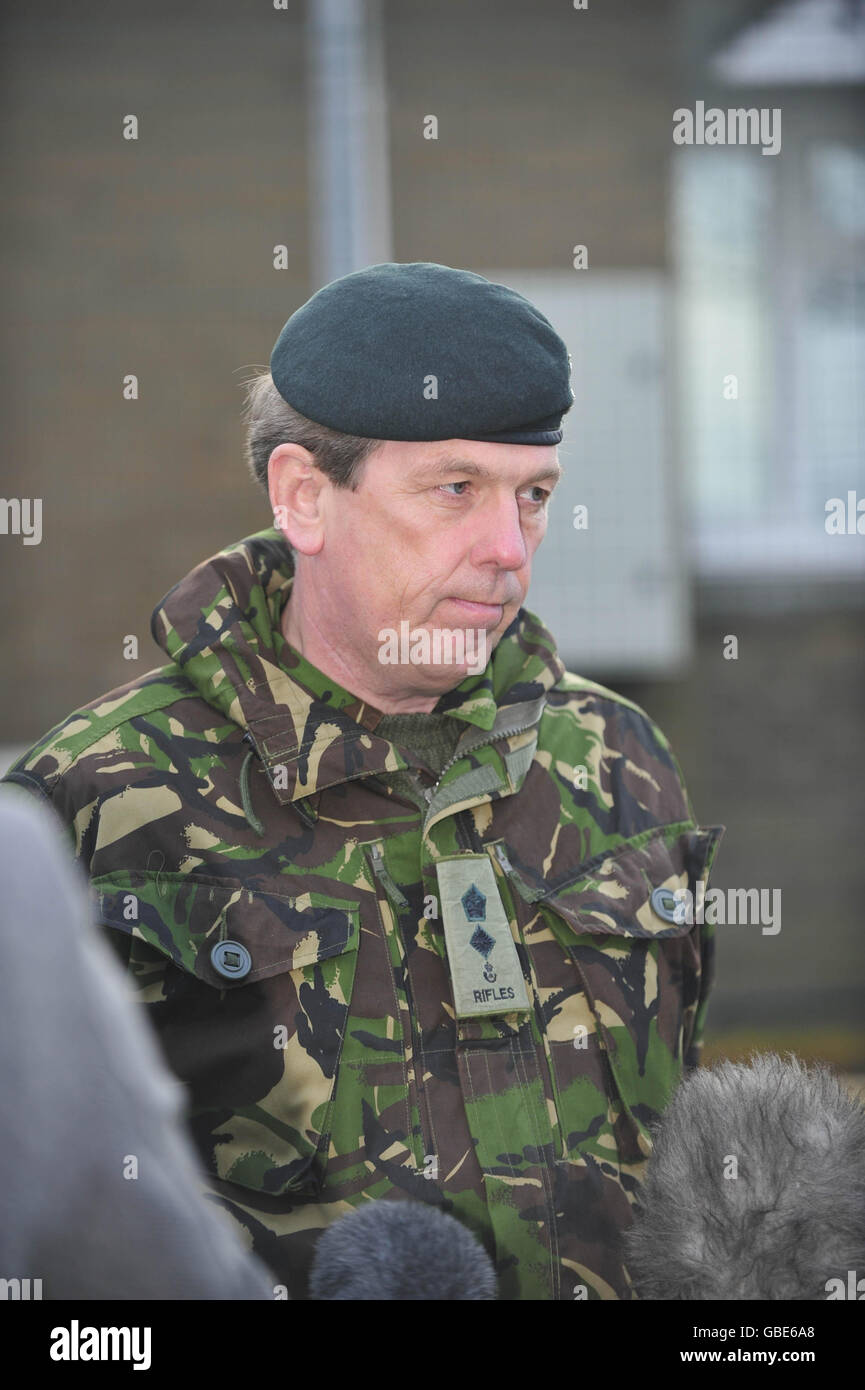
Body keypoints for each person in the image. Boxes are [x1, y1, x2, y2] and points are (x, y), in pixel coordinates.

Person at [2, 260, 724, 1300]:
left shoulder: (618, 761)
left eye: (534, 496)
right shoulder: (93, 802)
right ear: (305, 494)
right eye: (454, 490)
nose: (507, 550)